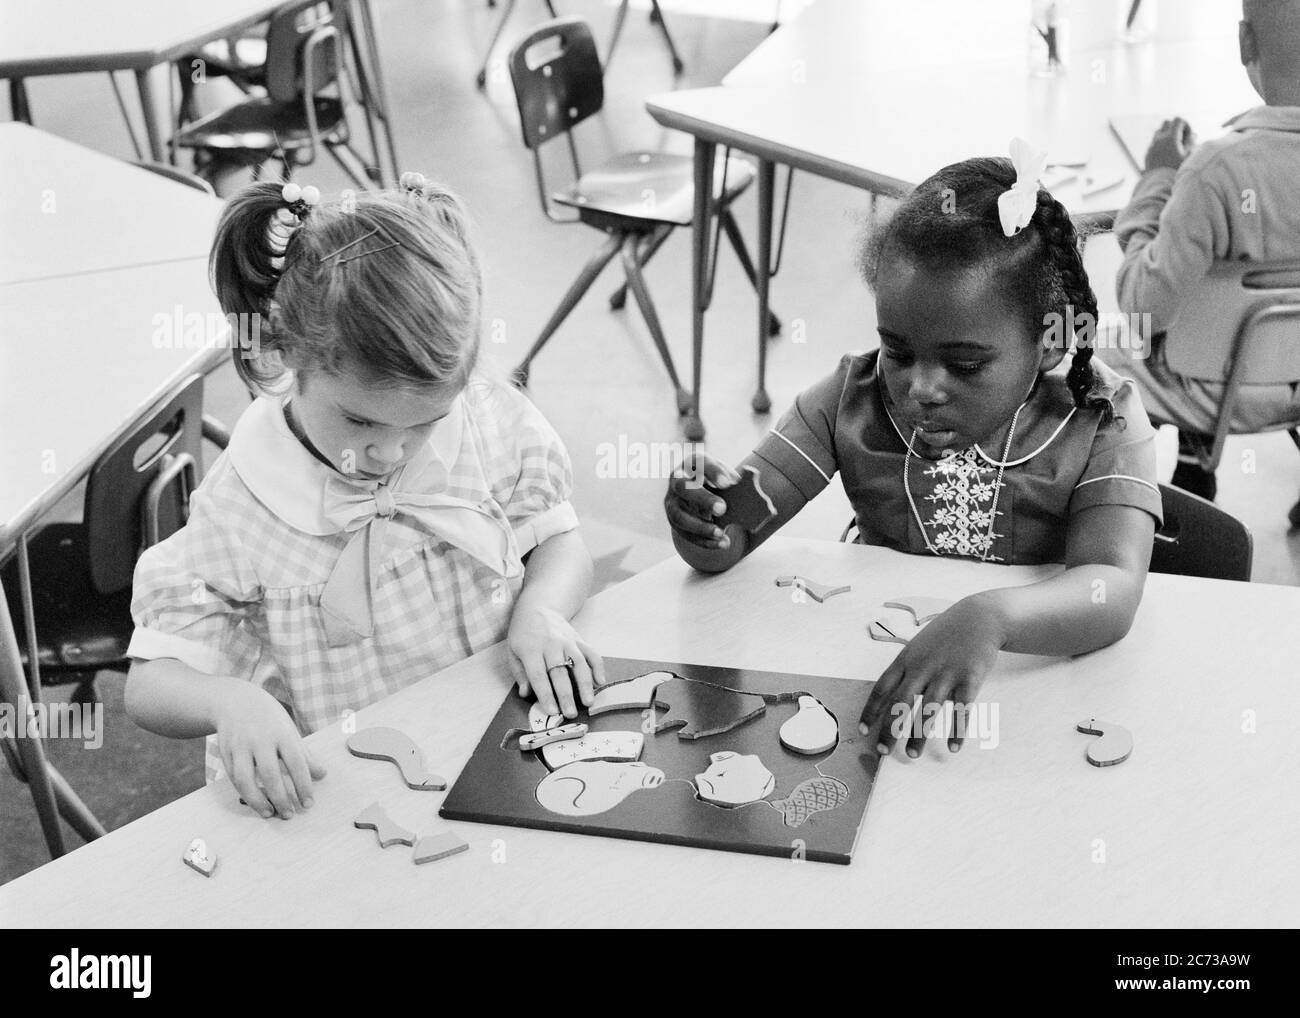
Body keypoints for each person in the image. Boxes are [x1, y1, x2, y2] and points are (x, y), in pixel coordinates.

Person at [125, 175, 602, 819]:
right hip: (344, 803)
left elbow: (558, 540)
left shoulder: (491, 425)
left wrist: (542, 609)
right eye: (360, 422)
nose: (393, 454)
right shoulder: (241, 509)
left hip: (499, 758)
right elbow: (150, 682)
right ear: (286, 350)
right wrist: (228, 703)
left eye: (426, 422)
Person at [664, 146, 1162, 760]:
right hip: (874, 698)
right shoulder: (850, 398)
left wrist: (991, 618)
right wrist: (705, 523)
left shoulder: (1102, 421)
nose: (921, 388)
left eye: (965, 364)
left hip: (1041, 711)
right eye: (898, 352)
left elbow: (1110, 589)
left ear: (1050, 344)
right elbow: (732, 539)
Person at [1099, 0, 1300, 501]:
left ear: (1245, 42)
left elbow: (1143, 305)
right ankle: (1192, 465)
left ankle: (1134, 498)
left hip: (1212, 389)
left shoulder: (1216, 170)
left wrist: (1159, 178)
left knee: (1088, 341)